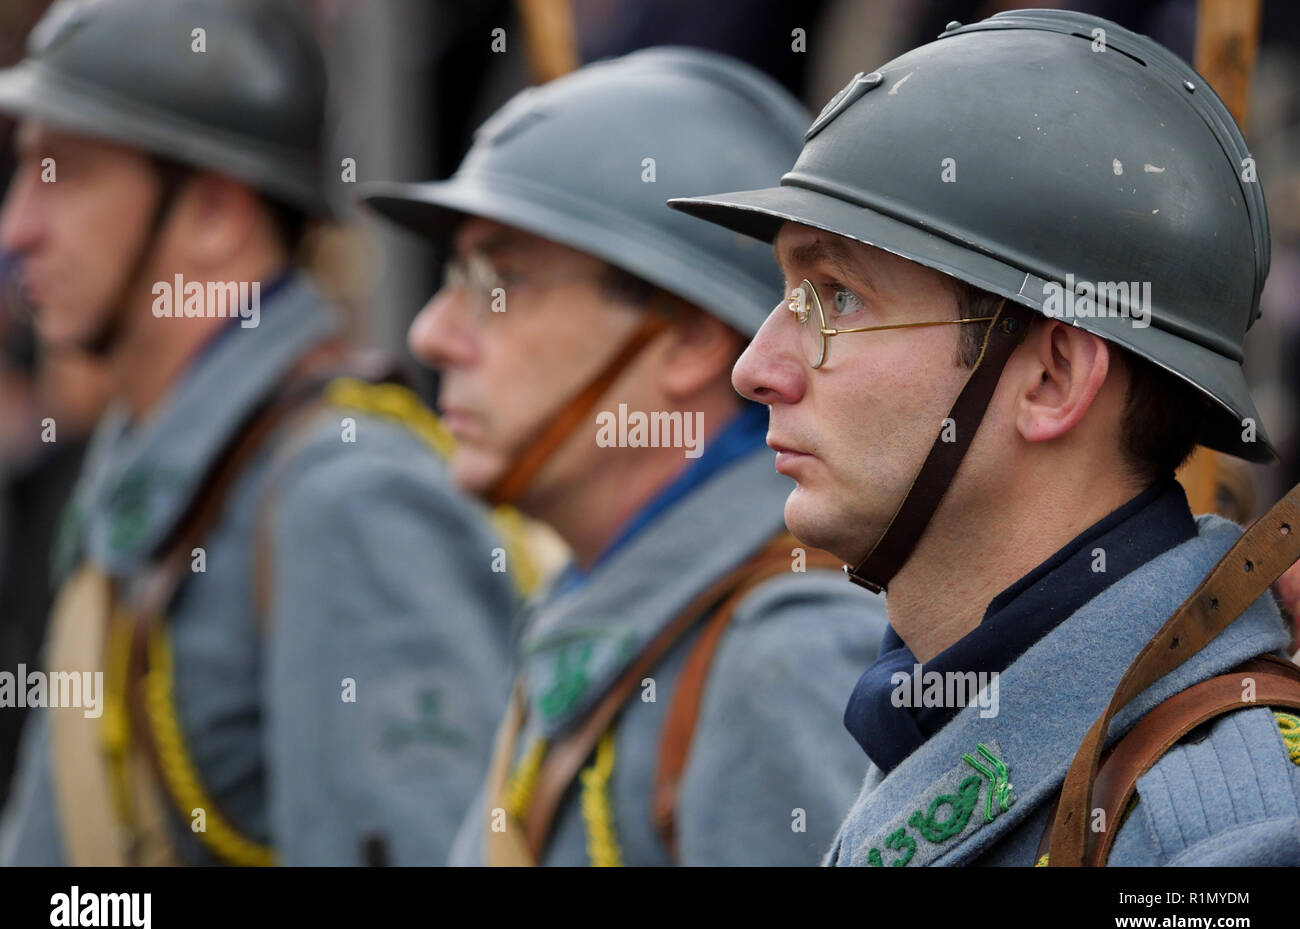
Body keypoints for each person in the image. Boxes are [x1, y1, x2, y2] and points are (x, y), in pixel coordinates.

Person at [670, 9, 1300, 866]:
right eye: (788, 294)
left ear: (1051, 381)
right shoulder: (936, 711)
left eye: (837, 298)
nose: (755, 368)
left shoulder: (1215, 828)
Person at [0, 0, 528, 866]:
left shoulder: (346, 498)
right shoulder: (147, 465)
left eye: (67, 171)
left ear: (213, 210)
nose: (19, 226)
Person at [362, 47, 889, 866]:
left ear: (683, 341)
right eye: (454, 278)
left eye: (502, 280)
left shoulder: (781, 656)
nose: (431, 334)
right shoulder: (614, 606)